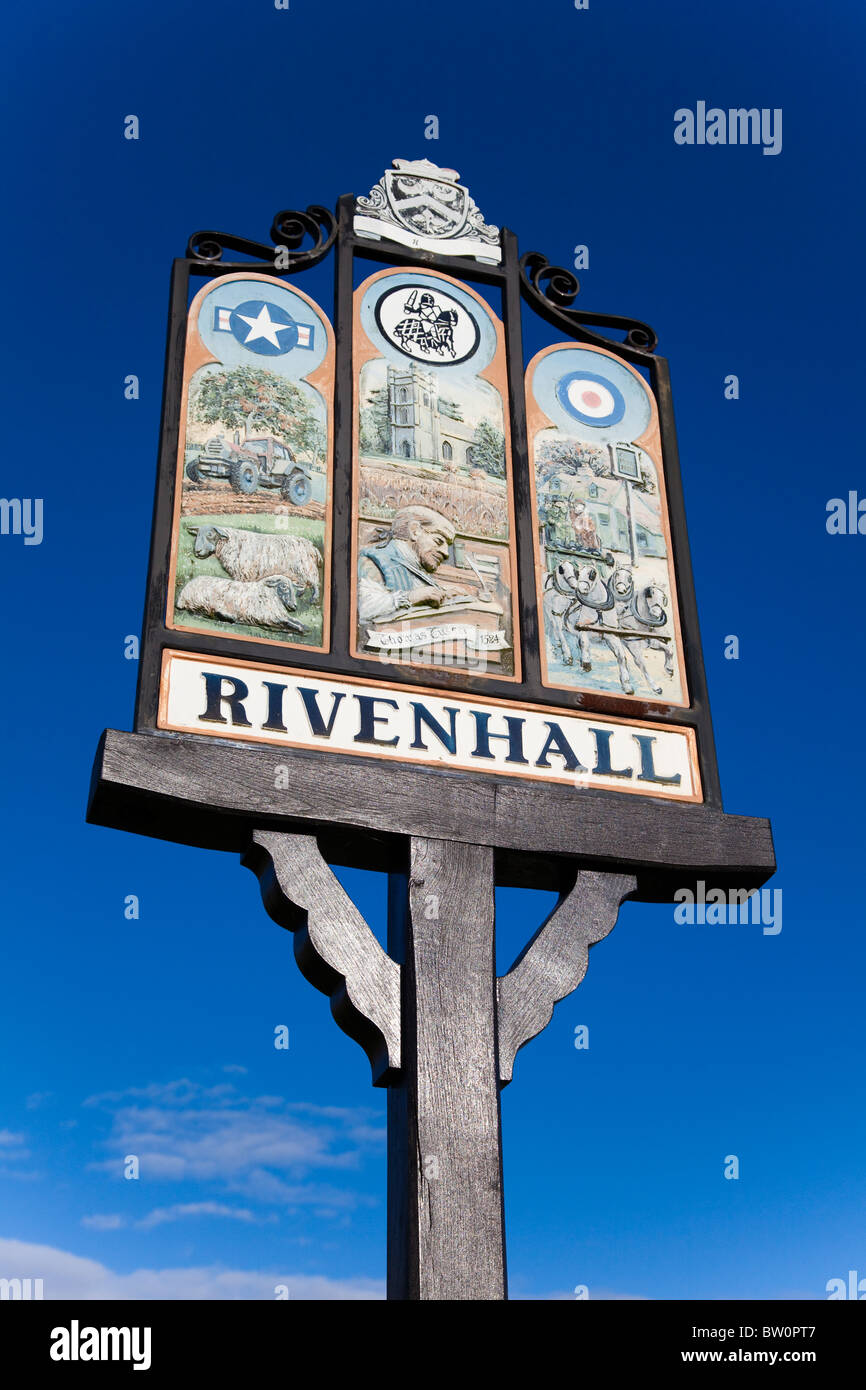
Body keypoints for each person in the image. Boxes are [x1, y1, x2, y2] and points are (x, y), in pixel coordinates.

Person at [358, 505, 461, 623]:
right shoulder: (374, 561)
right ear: (414, 531)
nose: (446, 553)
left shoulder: (414, 566)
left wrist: (444, 594)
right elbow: (363, 608)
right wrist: (410, 597)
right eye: (438, 541)